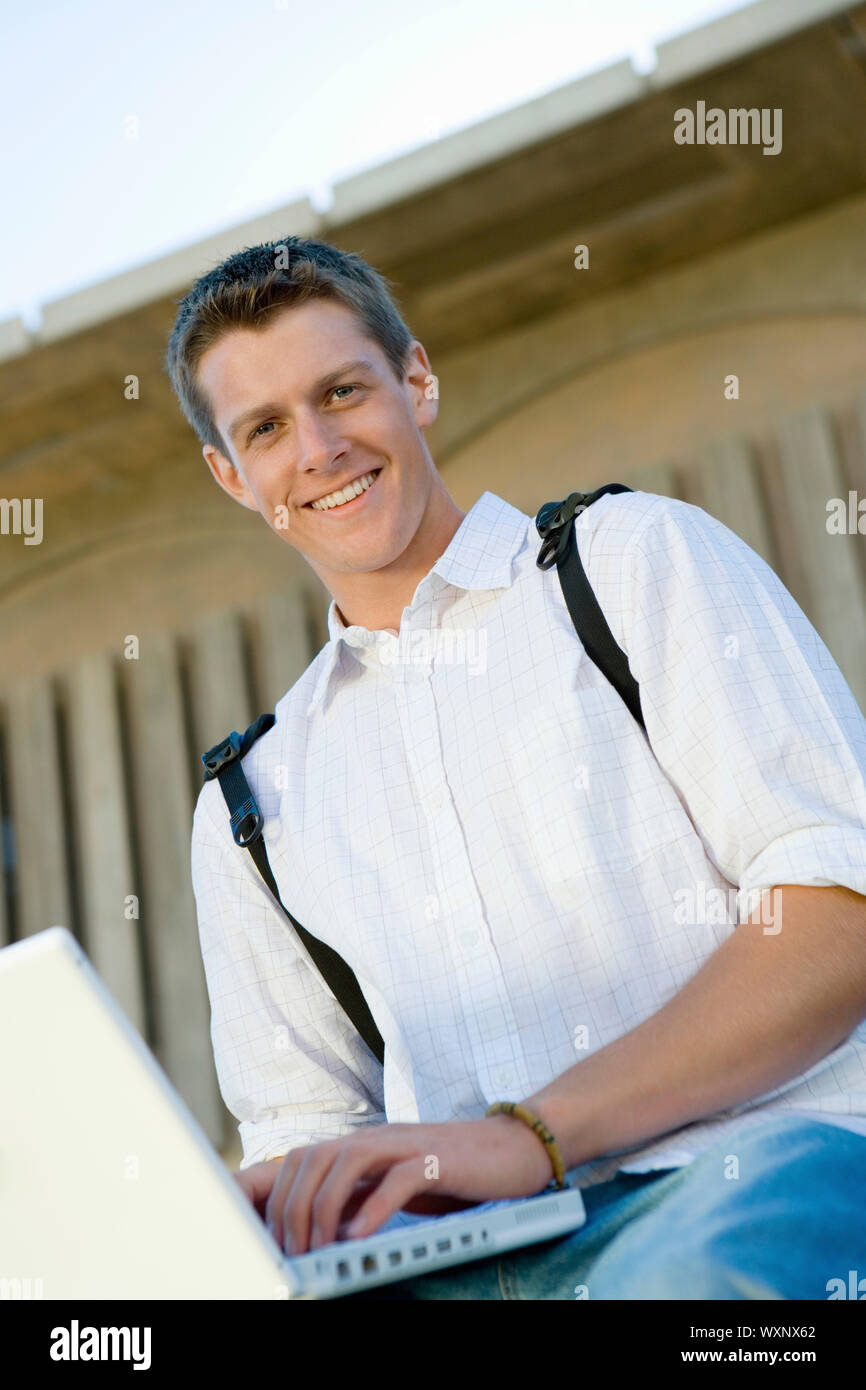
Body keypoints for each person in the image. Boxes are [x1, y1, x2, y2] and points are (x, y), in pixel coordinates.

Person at [166, 235, 866, 1300]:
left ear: (416, 380)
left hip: (740, 1177)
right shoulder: (246, 807)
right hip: (469, 1269)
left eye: (342, 391)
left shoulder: (631, 562)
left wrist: (528, 1136)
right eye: (264, 428)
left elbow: (836, 915)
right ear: (231, 474)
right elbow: (304, 1138)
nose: (315, 449)